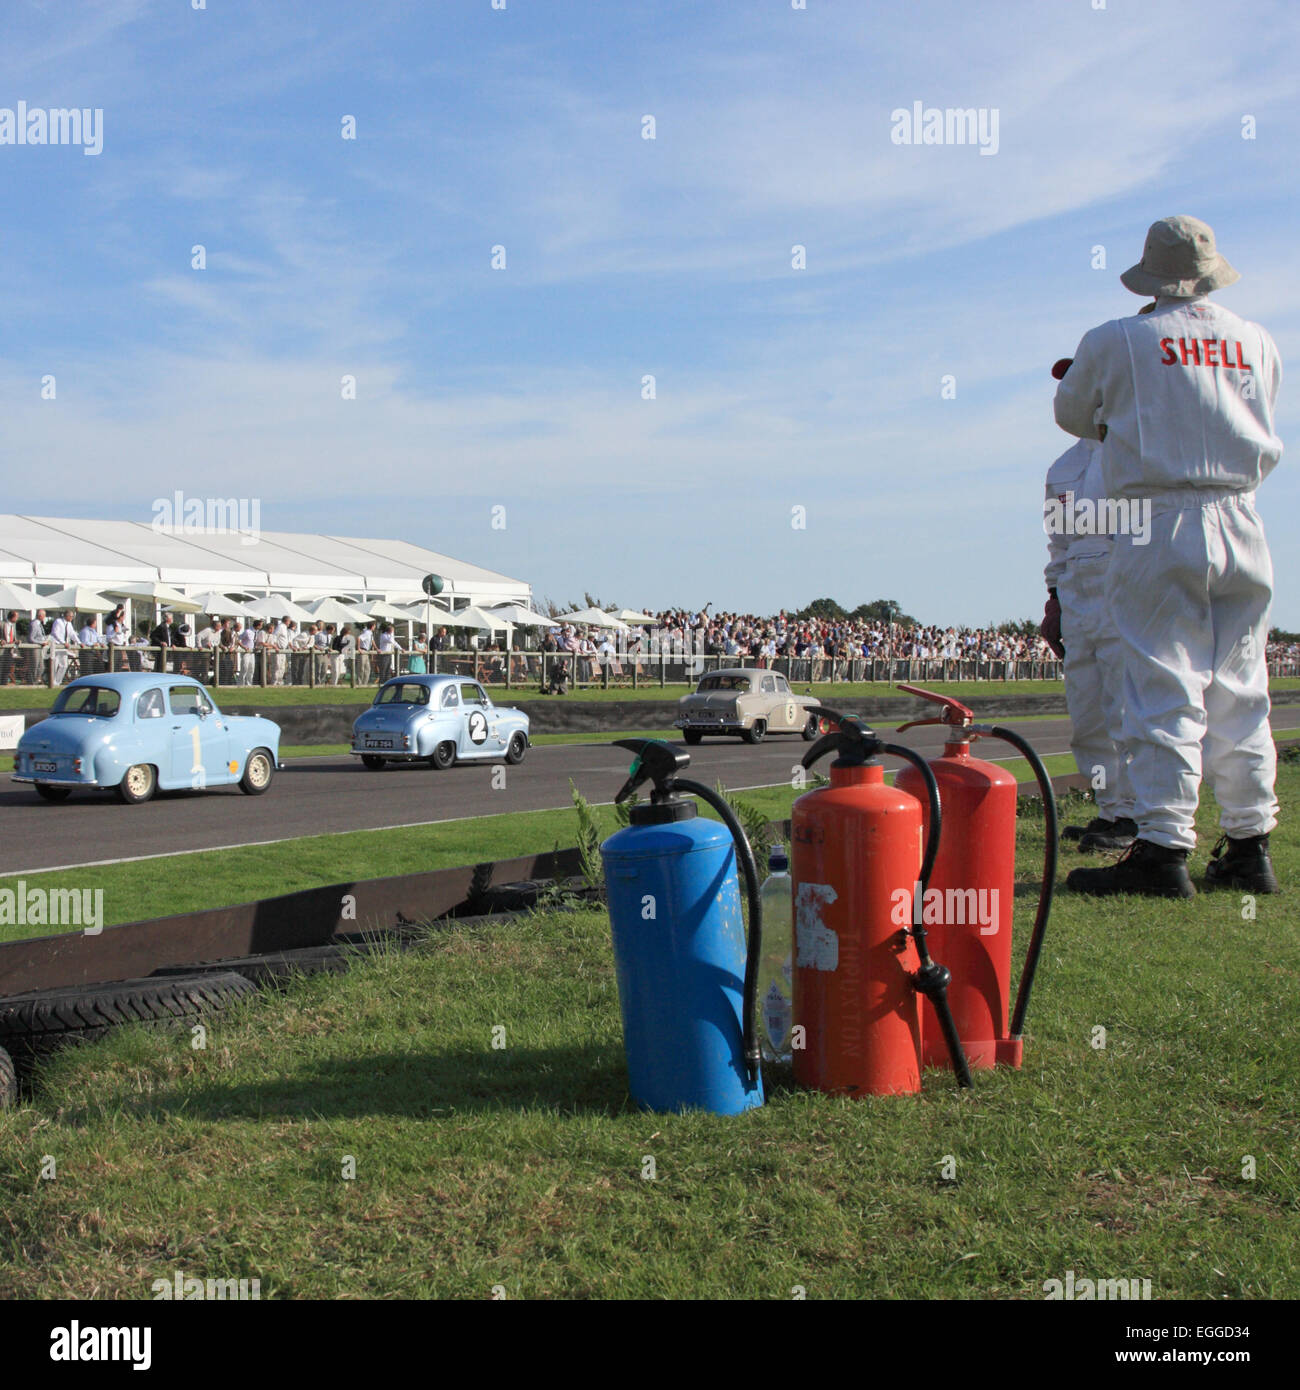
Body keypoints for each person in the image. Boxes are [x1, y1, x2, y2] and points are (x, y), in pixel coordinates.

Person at [1055, 216, 1282, 897]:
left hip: (1157, 516)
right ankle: (1248, 841)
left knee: (1163, 680)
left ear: (1151, 277)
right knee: (1241, 684)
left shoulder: (1118, 338)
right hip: (1242, 515)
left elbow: (1072, 414)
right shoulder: (1257, 339)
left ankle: (1162, 842)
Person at [1042, 356, 1138, 853]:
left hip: (1126, 582)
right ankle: (1111, 809)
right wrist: (1054, 599)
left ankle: (1140, 817)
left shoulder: (1137, 450)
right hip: (1079, 591)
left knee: (1128, 708)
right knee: (1088, 712)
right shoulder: (1063, 466)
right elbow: (1057, 544)